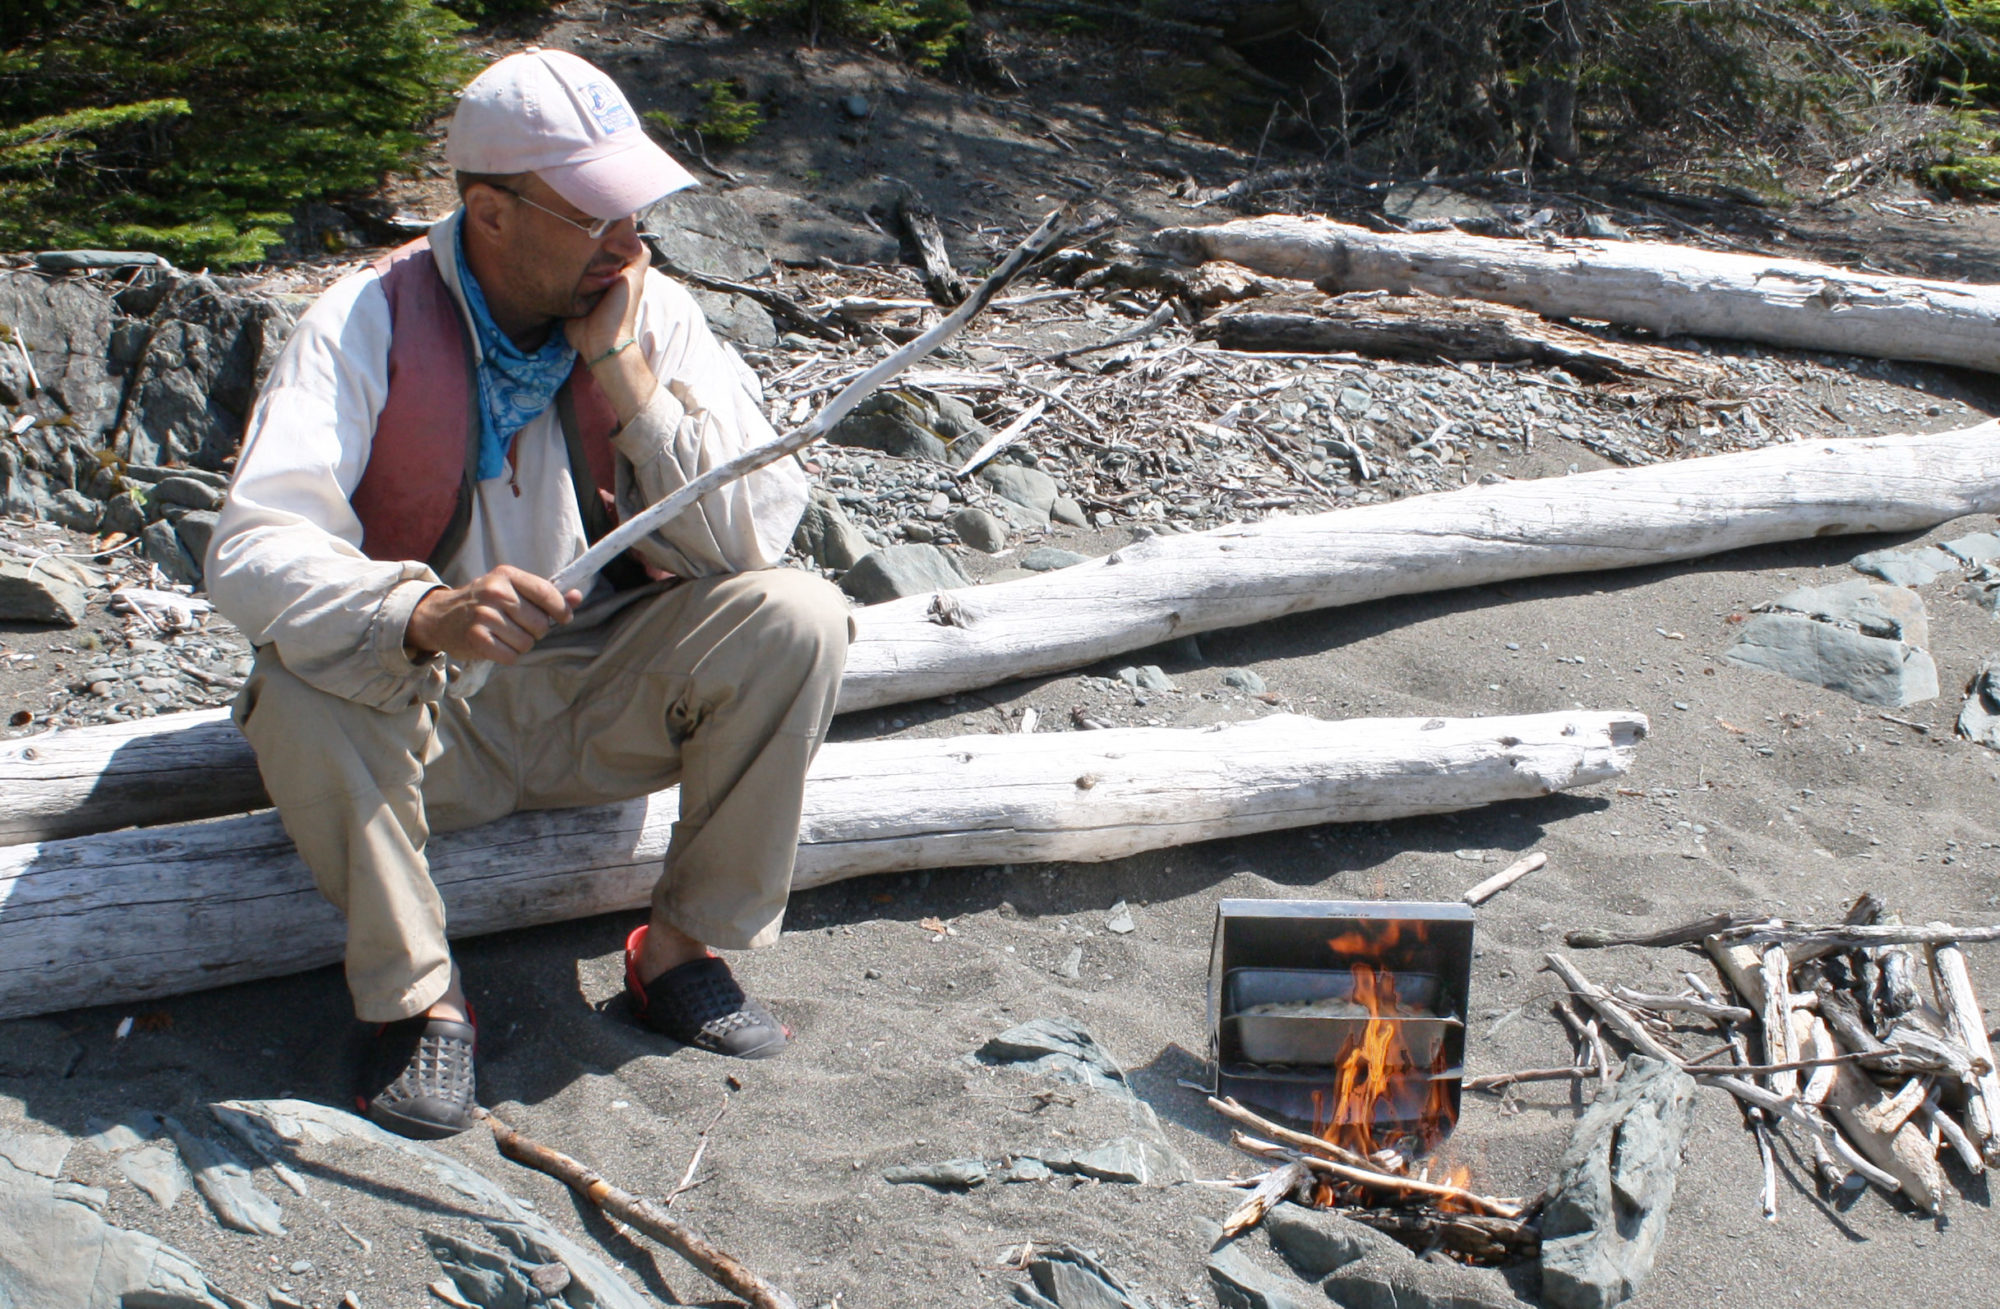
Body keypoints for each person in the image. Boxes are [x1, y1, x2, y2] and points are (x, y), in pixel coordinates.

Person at [206, 48, 851, 1140]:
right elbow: (251, 548)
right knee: (295, 688)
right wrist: (416, 613)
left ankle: (679, 948)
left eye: (634, 209)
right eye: (596, 214)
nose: (629, 241)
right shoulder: (363, 319)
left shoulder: (652, 313)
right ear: (490, 211)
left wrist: (631, 383)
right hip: (428, 715)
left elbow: (754, 538)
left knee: (801, 616)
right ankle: (419, 1000)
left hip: (606, 699)